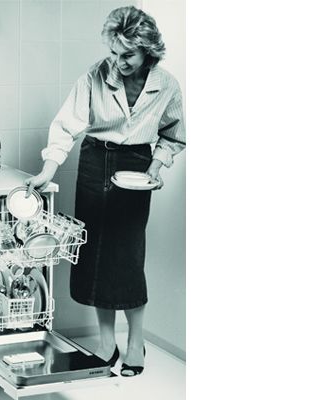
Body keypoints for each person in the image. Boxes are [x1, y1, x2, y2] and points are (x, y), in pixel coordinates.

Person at [25, 6, 185, 377]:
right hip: (95, 161)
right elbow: (65, 126)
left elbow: (174, 134)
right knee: (95, 251)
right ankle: (106, 343)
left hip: (136, 165)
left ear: (148, 50)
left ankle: (135, 342)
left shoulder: (167, 85)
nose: (118, 62)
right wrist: (48, 169)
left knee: (127, 255)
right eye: (114, 52)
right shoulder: (95, 75)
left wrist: (156, 166)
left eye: (128, 55)